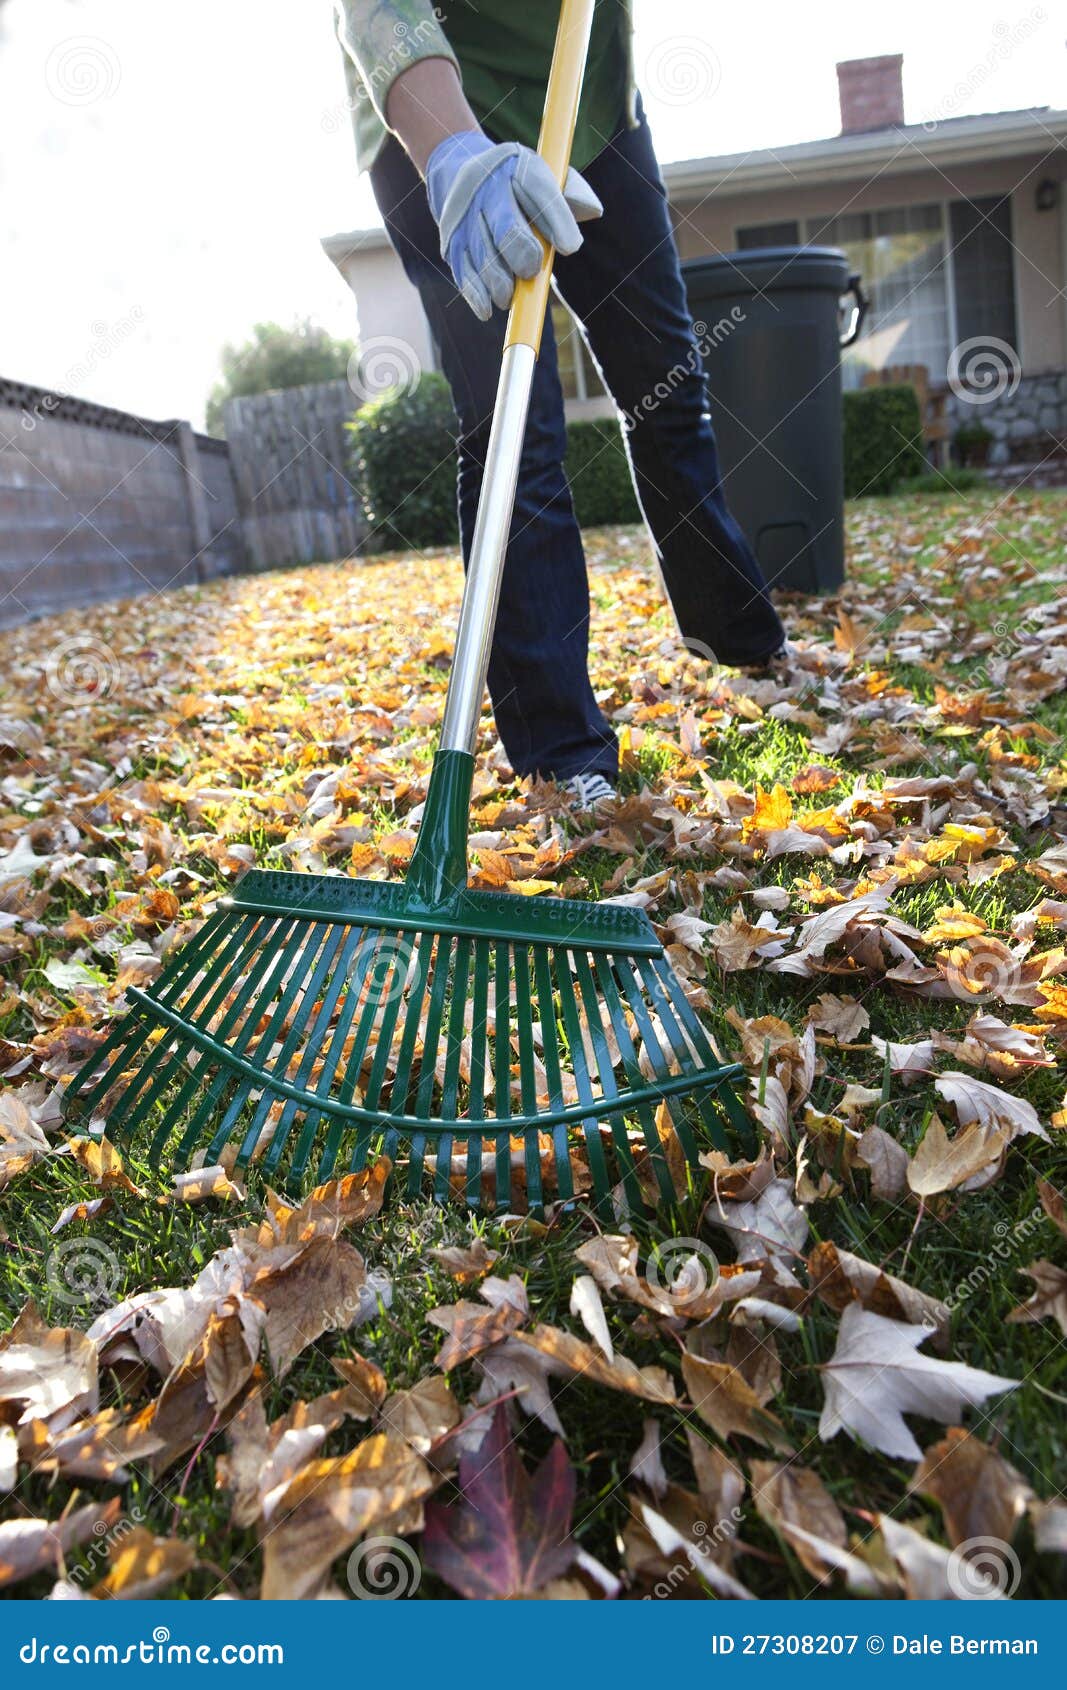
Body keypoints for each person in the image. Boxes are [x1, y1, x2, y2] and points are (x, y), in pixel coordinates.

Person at [335, 2, 787, 808]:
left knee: (666, 385)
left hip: (588, 105)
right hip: (442, 122)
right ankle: (560, 756)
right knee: (513, 428)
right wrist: (449, 150)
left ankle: (736, 639)